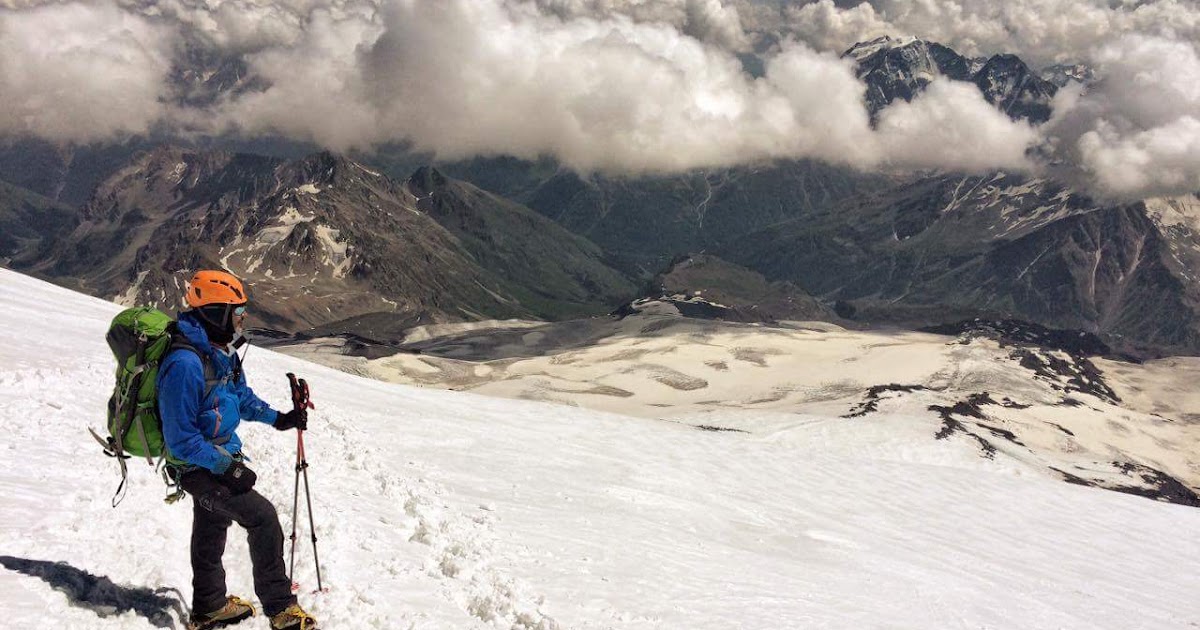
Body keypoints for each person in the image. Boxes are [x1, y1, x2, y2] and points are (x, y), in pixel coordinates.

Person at [157, 270, 318, 630]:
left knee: (211, 526)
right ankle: (281, 610)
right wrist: (226, 468)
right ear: (216, 312)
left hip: (217, 459)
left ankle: (209, 607)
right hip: (196, 467)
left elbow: (238, 397)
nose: (242, 319)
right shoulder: (184, 364)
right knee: (262, 518)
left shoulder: (219, 351)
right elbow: (180, 439)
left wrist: (279, 418)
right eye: (237, 311)